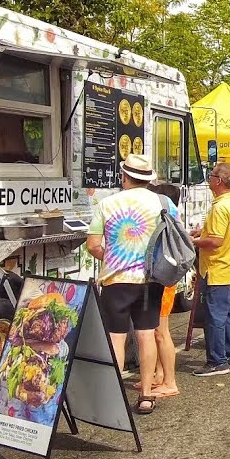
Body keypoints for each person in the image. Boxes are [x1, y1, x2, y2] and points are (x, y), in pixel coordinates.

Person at [85, 154, 178, 415]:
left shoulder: (107, 204)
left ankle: (111, 395)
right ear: (147, 179)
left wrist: (112, 256)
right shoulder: (165, 203)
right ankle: (147, 395)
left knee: (116, 338)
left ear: (124, 177)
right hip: (151, 280)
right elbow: (175, 238)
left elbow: (92, 245)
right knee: (146, 335)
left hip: (116, 280)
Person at [190, 163, 230, 378]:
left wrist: (194, 241)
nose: (208, 178)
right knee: (228, 311)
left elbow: (215, 240)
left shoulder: (221, 206)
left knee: (215, 317)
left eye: (211, 175)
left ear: (219, 181)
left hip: (218, 267)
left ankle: (217, 361)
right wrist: (202, 232)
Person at [146, 182, 184, 400]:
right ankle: (159, 375)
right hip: (165, 279)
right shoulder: (171, 218)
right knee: (156, 332)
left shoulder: (163, 221)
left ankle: (169, 380)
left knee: (161, 331)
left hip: (163, 281)